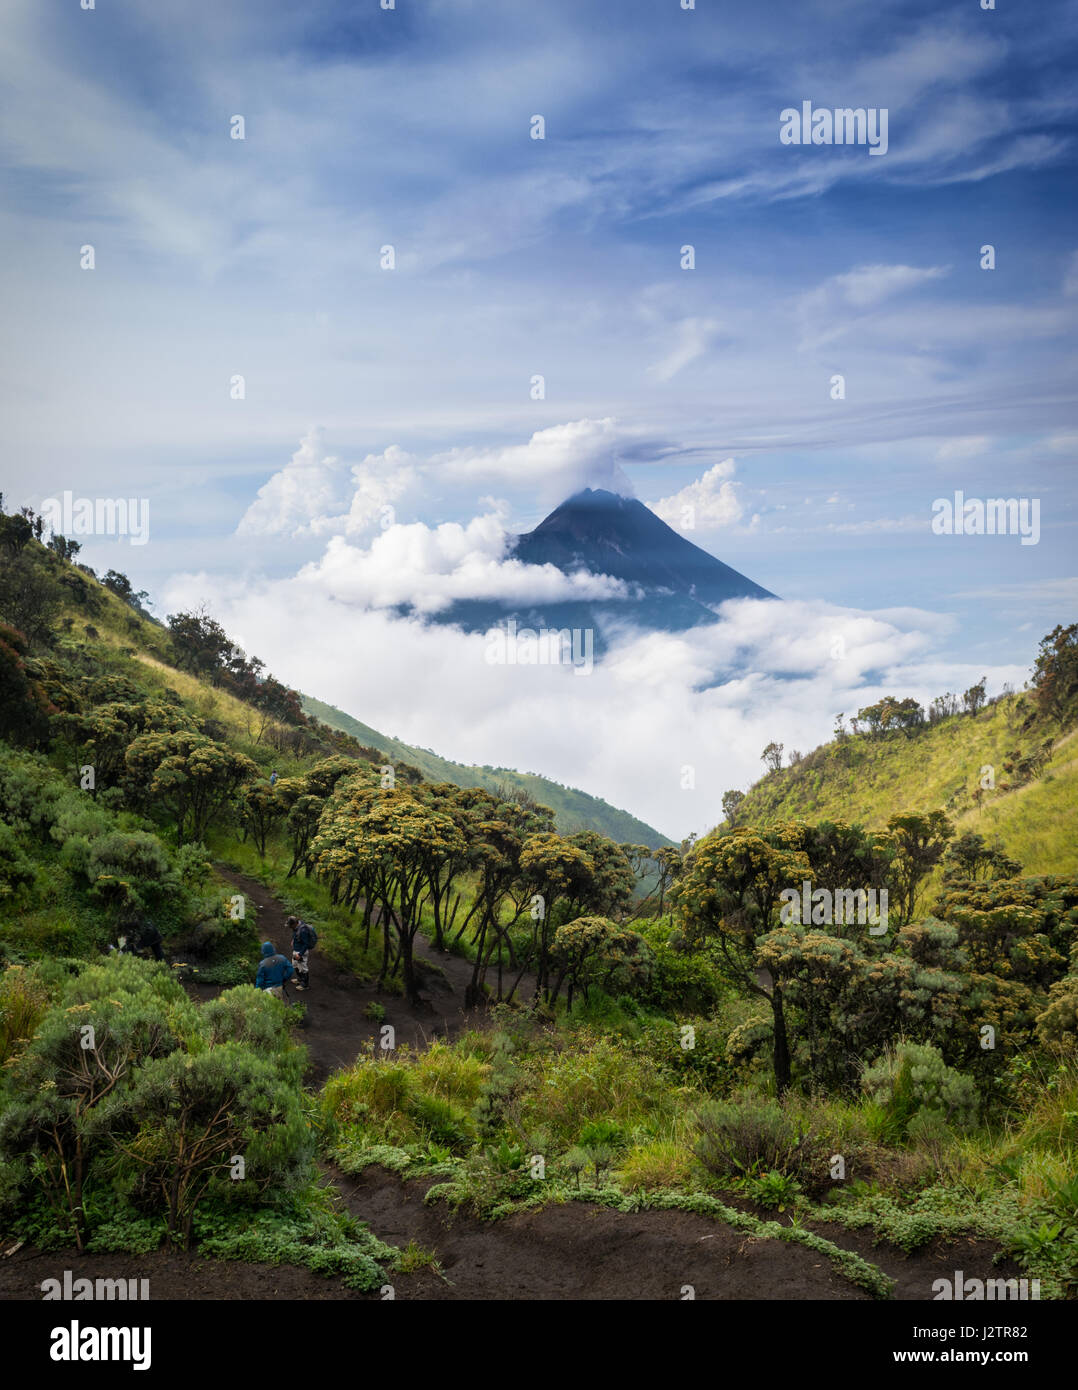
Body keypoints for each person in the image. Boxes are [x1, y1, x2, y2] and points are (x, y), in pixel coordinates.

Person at [288, 915, 317, 992]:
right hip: (296, 949)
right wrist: (293, 940)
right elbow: (296, 934)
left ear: (294, 924)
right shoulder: (297, 927)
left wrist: (300, 954)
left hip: (301, 952)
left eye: (290, 925)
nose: (289, 927)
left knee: (303, 968)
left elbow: (306, 944)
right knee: (295, 964)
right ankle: (300, 979)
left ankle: (305, 985)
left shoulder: (303, 930)